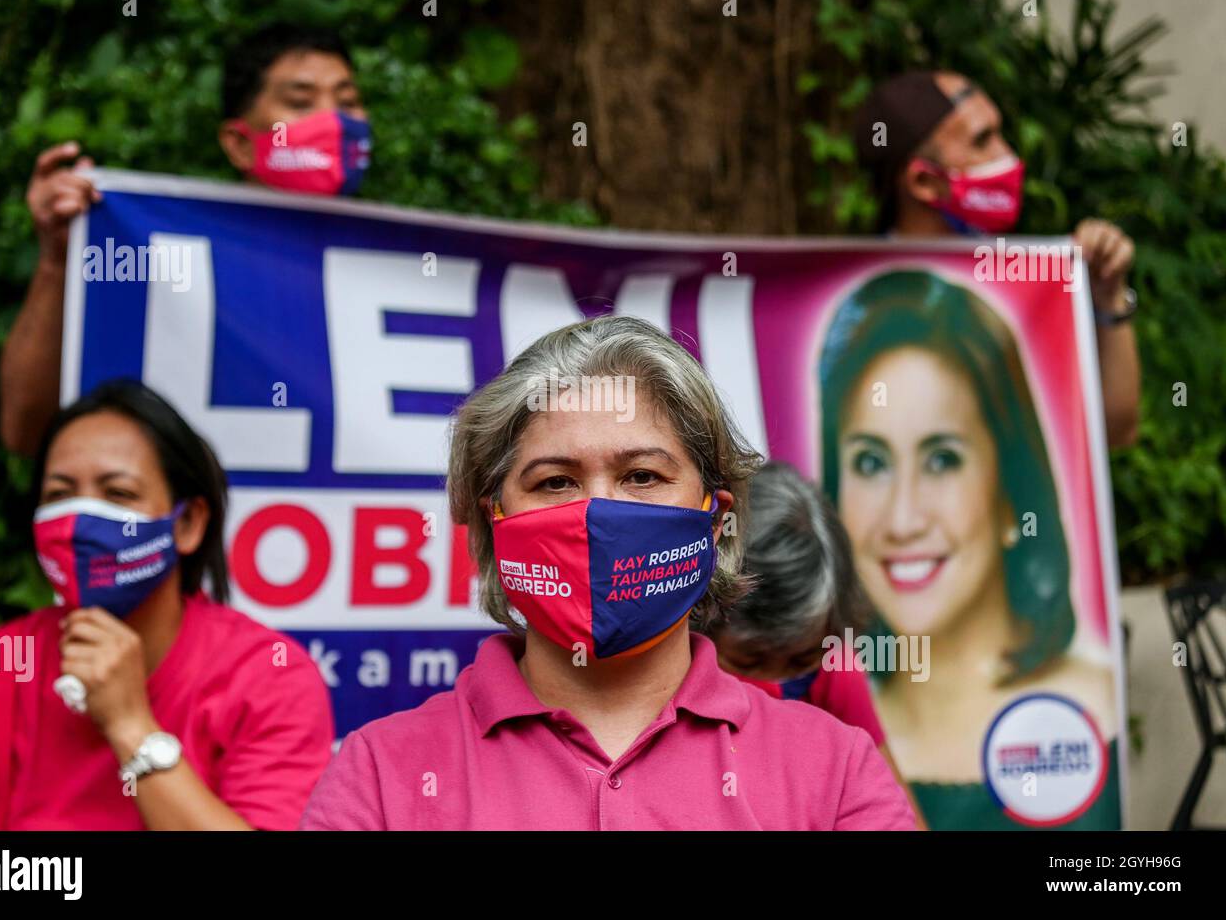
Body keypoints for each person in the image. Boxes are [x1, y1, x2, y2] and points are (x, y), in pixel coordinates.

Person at [300, 315, 916, 830]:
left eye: (642, 476)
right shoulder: (380, 775)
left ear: (716, 516)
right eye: (555, 481)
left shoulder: (835, 772)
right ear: (494, 521)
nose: (596, 514)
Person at [0, 380, 333, 829]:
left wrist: (131, 726)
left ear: (188, 523)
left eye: (118, 494)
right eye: (60, 495)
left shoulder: (268, 679)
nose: (81, 522)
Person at [818, 270, 1120, 830]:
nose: (902, 519)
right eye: (870, 463)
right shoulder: (820, 728)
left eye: (942, 459)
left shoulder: (1099, 707)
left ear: (1010, 492)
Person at [0, 24, 371, 456]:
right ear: (238, 144)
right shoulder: (157, 256)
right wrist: (58, 261)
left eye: (348, 102)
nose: (334, 121)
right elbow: (27, 430)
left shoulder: (411, 268)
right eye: (301, 102)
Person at [854, 70, 1140, 448]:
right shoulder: (853, 306)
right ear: (924, 182)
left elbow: (1116, 431)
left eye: (999, 133)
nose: (1008, 156)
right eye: (982, 140)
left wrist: (1108, 299)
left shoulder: (1035, 285)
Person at [710, 460, 927, 828]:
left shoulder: (834, 668)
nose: (775, 684)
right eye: (750, 662)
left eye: (801, 661)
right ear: (705, 619)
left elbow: (893, 804)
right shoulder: (672, 672)